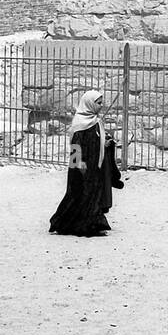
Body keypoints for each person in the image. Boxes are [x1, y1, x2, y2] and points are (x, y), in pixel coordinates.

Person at [49, 89, 117, 236]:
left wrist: (106, 144)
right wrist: (78, 164)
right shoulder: (79, 123)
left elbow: (96, 140)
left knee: (93, 195)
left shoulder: (96, 121)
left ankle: (93, 225)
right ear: (89, 104)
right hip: (82, 167)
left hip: (94, 166)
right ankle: (65, 223)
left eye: (101, 103)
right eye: (98, 103)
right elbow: (75, 145)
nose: (101, 106)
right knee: (79, 195)